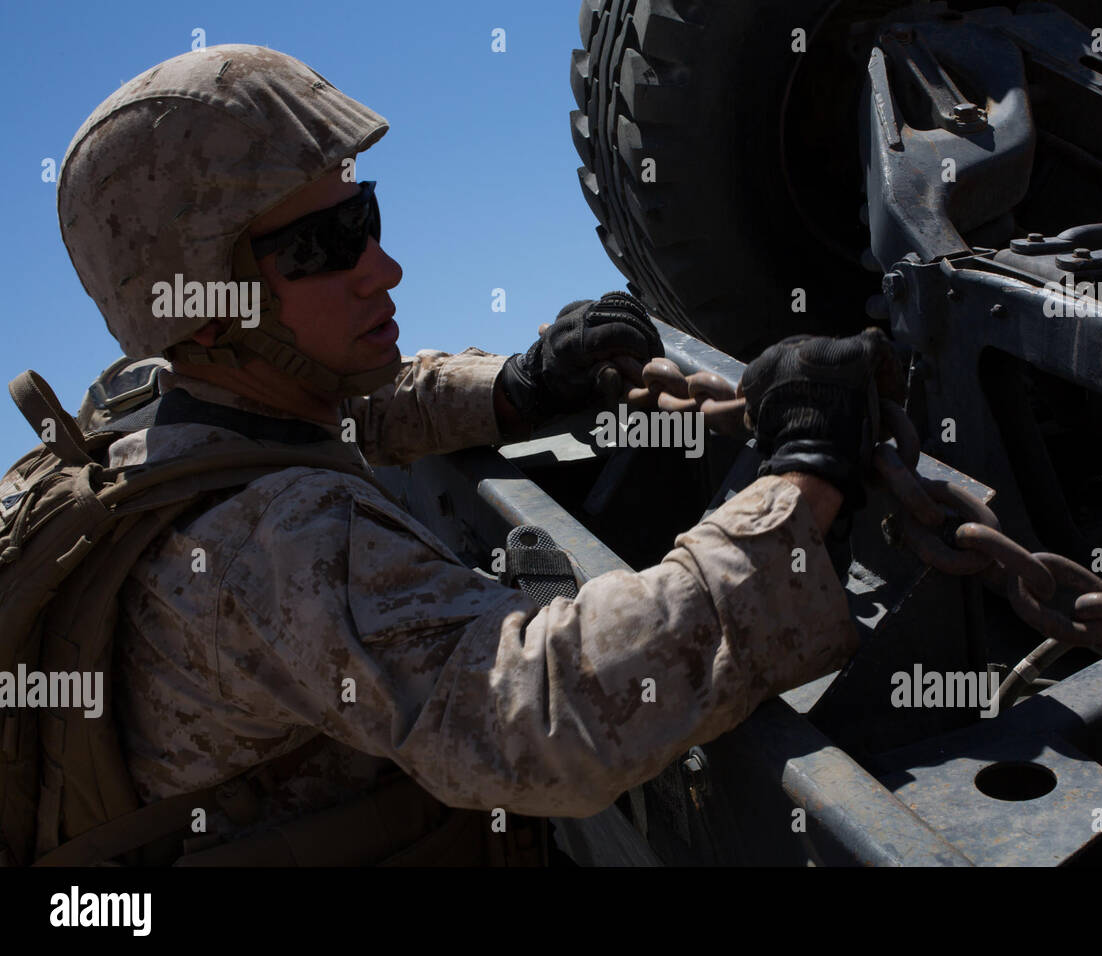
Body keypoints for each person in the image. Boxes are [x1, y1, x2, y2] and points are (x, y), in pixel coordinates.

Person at [34, 43, 894, 864]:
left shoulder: (150, 415)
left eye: (363, 216)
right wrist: (803, 477)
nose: (386, 268)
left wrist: (519, 385)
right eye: (322, 246)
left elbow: (355, 412)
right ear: (214, 308)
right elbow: (545, 720)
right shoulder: (273, 544)